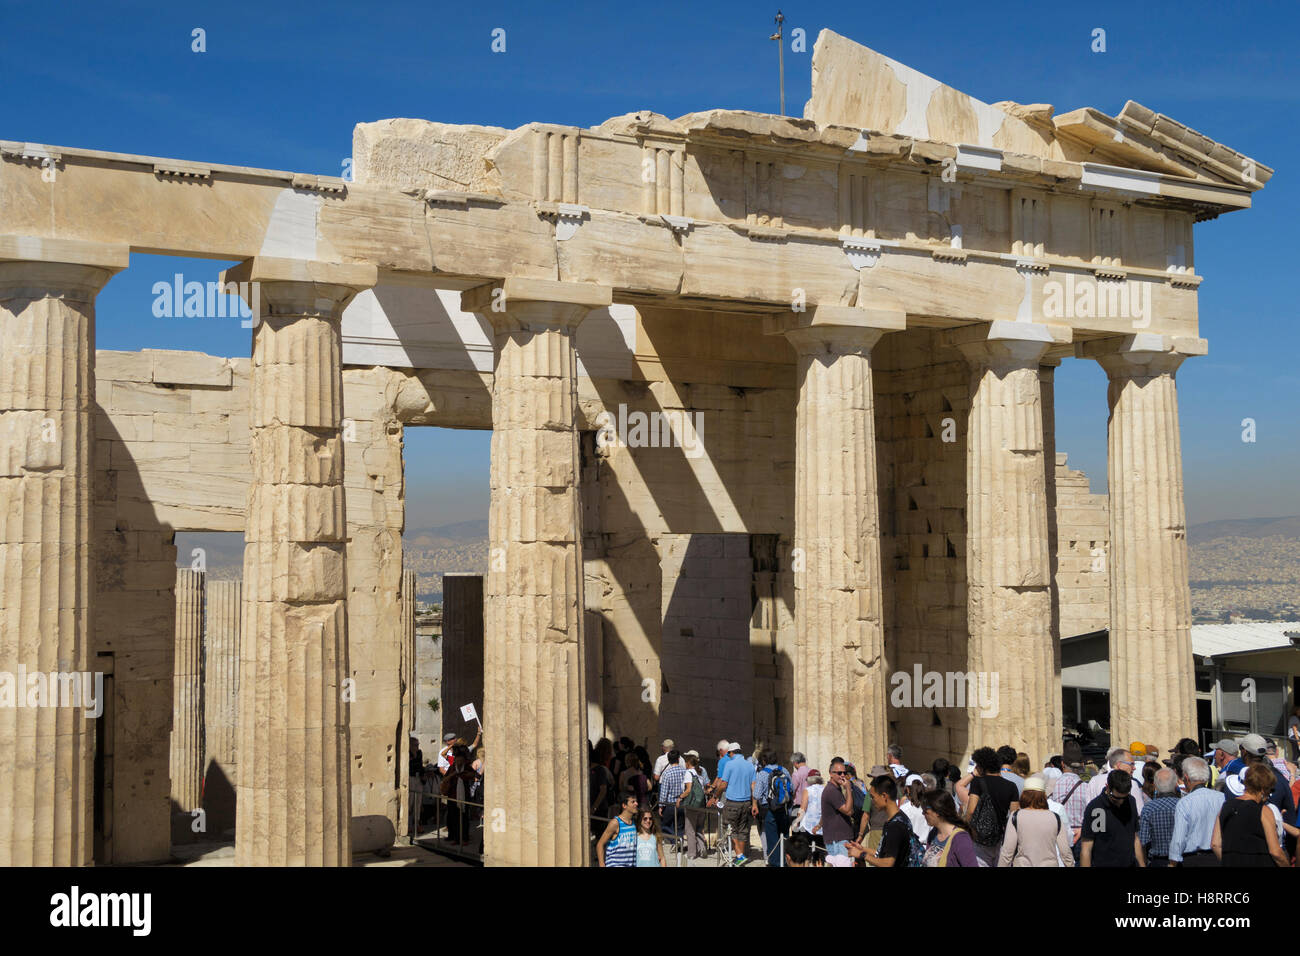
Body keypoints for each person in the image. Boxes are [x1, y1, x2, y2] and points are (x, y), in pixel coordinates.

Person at [1213, 762, 1291, 866]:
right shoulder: (1263, 810)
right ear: (1263, 789)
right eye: (1270, 790)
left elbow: (1215, 844)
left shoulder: (1225, 806)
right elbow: (1275, 852)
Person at [998, 775, 1075, 867]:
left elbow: (1007, 852)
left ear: (1024, 795)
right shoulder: (1055, 817)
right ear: (1043, 796)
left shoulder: (1016, 816)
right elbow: (1065, 852)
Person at [963, 746, 1020, 867]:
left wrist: (967, 828)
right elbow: (1014, 816)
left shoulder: (977, 782)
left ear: (982, 766)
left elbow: (971, 811)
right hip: (1000, 839)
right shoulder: (1011, 786)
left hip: (980, 839)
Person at [1080, 769, 1145, 867]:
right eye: (1116, 798)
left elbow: (1135, 838)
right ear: (1107, 787)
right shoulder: (1096, 809)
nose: (1121, 802)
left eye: (1124, 797)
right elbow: (1087, 847)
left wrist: (1142, 864)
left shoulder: (1131, 801)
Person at [1168, 756, 1224, 867]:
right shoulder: (1222, 798)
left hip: (1194, 859)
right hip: (1219, 857)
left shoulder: (1185, 803)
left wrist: (1172, 863)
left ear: (1187, 778)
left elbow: (1179, 839)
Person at [848, 775, 912, 867]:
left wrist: (862, 855)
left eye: (873, 797)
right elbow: (882, 853)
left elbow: (887, 863)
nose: (872, 801)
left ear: (884, 796)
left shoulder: (895, 826)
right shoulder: (896, 819)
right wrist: (862, 849)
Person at [714, 741, 757, 865]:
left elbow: (723, 784)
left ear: (731, 753)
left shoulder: (730, 764)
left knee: (729, 829)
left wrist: (715, 796)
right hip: (747, 803)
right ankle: (740, 859)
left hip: (733, 802)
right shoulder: (750, 766)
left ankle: (739, 855)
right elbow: (754, 786)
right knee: (742, 830)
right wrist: (754, 804)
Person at [754, 750, 793, 867]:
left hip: (769, 808)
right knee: (785, 835)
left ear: (764, 760)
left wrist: (758, 803)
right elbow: (792, 789)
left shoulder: (762, 773)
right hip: (785, 808)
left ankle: (775, 863)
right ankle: (785, 861)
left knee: (772, 838)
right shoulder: (784, 770)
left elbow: (757, 794)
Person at [920, 789, 979, 867]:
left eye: (925, 811)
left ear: (937, 812)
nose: (923, 813)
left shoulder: (960, 839)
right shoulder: (934, 833)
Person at [1138, 767, 1180, 867]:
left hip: (1158, 861)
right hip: (1181, 859)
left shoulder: (1149, 808)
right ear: (1175, 784)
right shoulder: (1183, 805)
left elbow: (1142, 841)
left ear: (1155, 786)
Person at [1083, 747, 1146, 812]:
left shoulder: (1095, 780)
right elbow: (1139, 812)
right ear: (1119, 765)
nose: (1134, 768)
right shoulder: (1131, 783)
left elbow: (1088, 807)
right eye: (1131, 764)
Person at [820, 759, 856, 858]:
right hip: (837, 841)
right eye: (839, 773)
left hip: (840, 839)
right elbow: (848, 811)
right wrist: (848, 788)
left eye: (844, 773)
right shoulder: (831, 790)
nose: (843, 775)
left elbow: (850, 810)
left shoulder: (837, 789)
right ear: (831, 774)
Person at [596, 792, 639, 867]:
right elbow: (600, 844)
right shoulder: (615, 823)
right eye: (633, 802)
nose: (636, 804)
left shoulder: (634, 823)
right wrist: (602, 864)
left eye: (636, 801)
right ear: (624, 805)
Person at [681, 752, 710, 860]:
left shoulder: (689, 773)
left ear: (688, 763)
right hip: (701, 805)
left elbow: (688, 790)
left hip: (692, 805)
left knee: (690, 829)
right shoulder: (700, 774)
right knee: (699, 828)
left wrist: (680, 797)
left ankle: (692, 853)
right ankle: (702, 849)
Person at [657, 749, 689, 840]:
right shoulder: (685, 772)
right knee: (679, 826)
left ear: (668, 760)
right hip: (682, 803)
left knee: (665, 825)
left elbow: (664, 791)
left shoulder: (667, 774)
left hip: (670, 804)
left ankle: (675, 841)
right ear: (678, 759)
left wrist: (661, 806)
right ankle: (679, 841)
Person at [589, 738, 616, 837]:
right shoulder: (601, 769)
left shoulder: (596, 769)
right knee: (601, 835)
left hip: (594, 805)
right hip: (599, 807)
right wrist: (594, 807)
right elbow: (605, 788)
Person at [793, 771, 825, 851]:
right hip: (821, 825)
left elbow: (803, 808)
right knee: (819, 850)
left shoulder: (807, 790)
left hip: (808, 825)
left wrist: (796, 821)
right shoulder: (825, 789)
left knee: (807, 850)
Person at [900, 775, 931, 843]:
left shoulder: (904, 809)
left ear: (908, 789)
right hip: (926, 848)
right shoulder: (930, 807)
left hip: (910, 848)